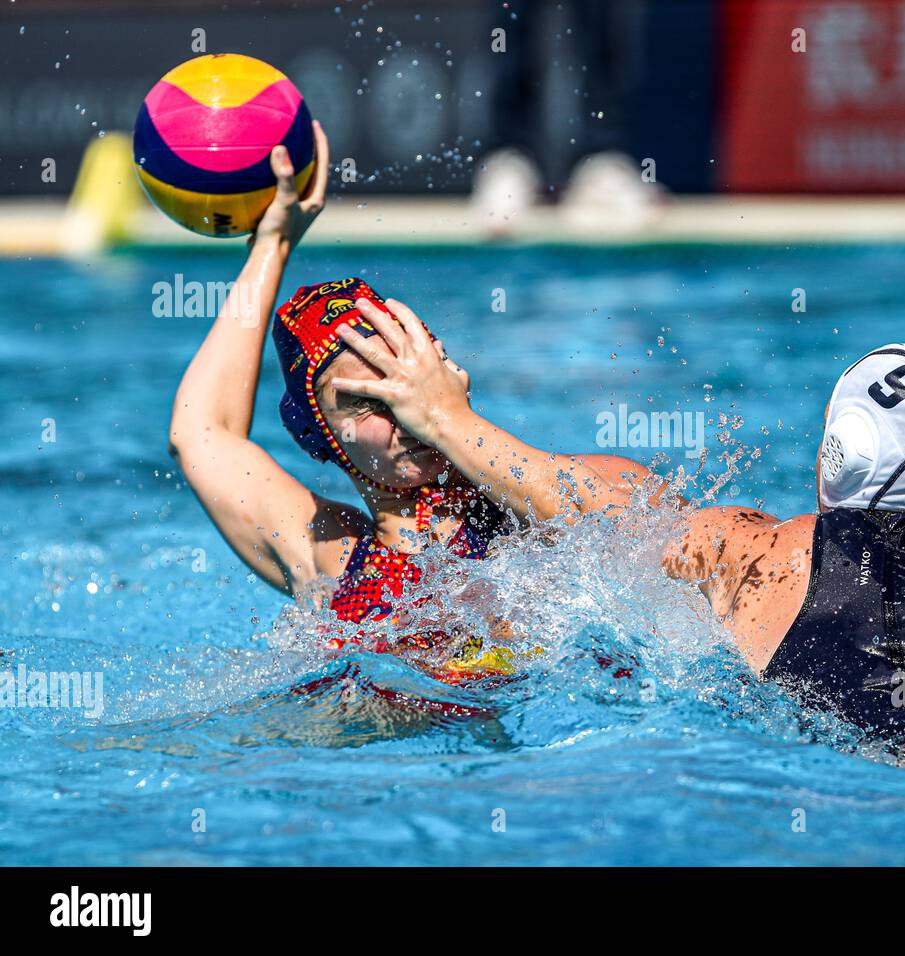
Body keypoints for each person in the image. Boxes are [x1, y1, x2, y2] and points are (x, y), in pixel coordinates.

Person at [323, 313, 905, 744]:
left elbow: (589, 512)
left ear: (839, 453)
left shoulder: (752, 546)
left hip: (837, 776)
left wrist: (447, 420)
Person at [165, 123, 645, 684]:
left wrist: (453, 423)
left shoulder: (524, 515)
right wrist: (273, 245)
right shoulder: (333, 557)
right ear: (322, 435)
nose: (402, 411)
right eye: (369, 401)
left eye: (409, 379)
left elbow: (643, 521)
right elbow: (200, 434)